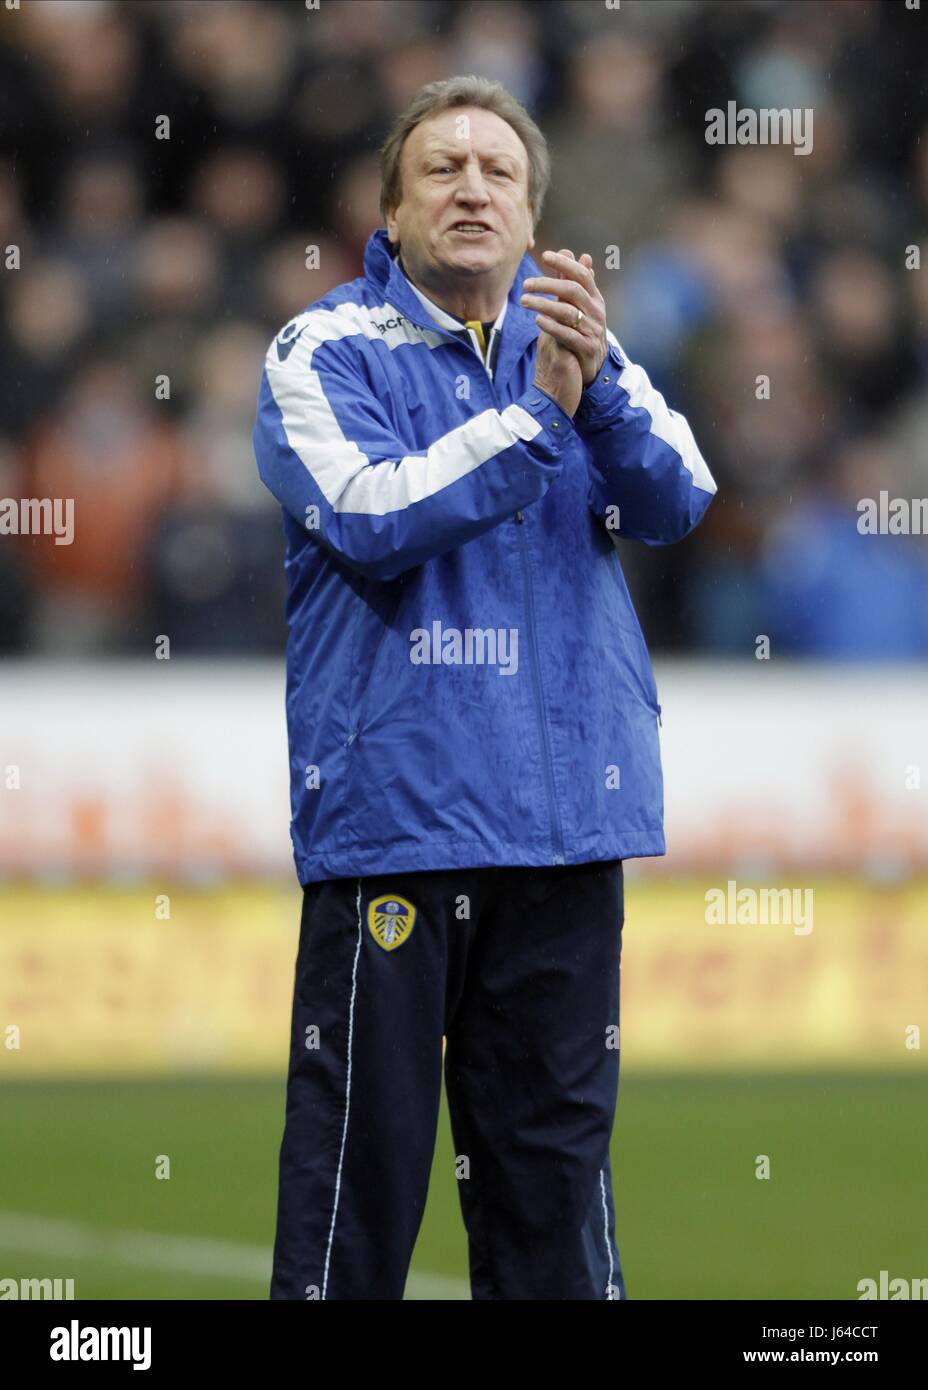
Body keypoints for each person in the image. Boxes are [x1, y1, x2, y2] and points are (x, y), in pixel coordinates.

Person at [253, 74, 716, 1301]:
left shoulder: (579, 346)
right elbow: (372, 514)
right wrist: (536, 418)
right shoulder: (322, 348)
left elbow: (682, 497)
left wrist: (596, 384)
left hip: (568, 827)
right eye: (442, 170)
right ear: (390, 214)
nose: (472, 188)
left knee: (553, 1201)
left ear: (531, 214)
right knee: (359, 1195)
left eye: (497, 172)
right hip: (400, 825)